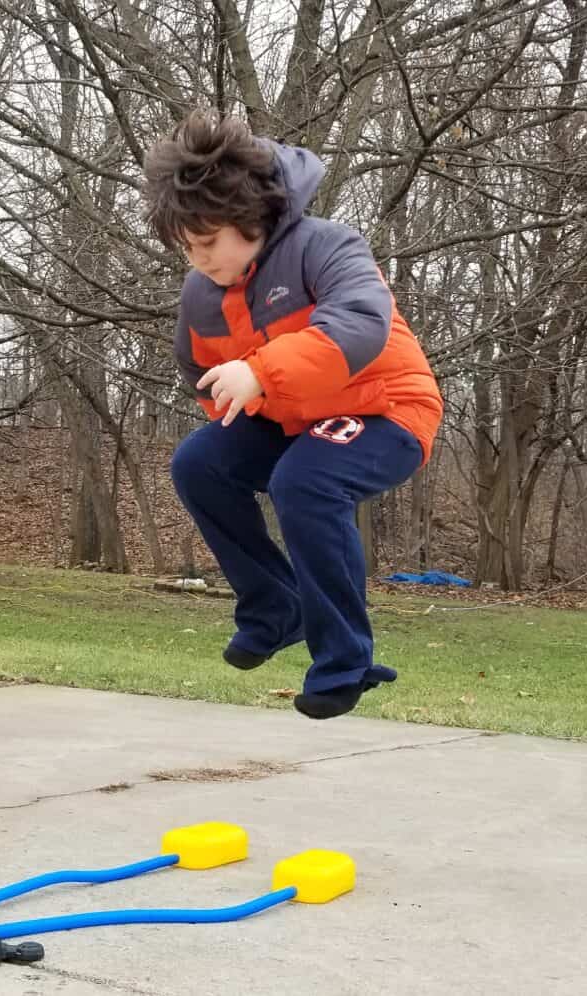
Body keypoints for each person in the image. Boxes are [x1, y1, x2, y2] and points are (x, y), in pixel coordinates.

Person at [144, 110, 444, 720]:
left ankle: (345, 659)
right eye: (187, 247)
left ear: (248, 219)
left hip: (387, 410)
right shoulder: (200, 293)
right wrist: (241, 397)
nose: (197, 259)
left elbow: (360, 323)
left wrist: (260, 372)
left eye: (207, 243)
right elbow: (198, 372)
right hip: (295, 420)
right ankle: (276, 607)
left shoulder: (326, 246)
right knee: (198, 463)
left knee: (305, 481)